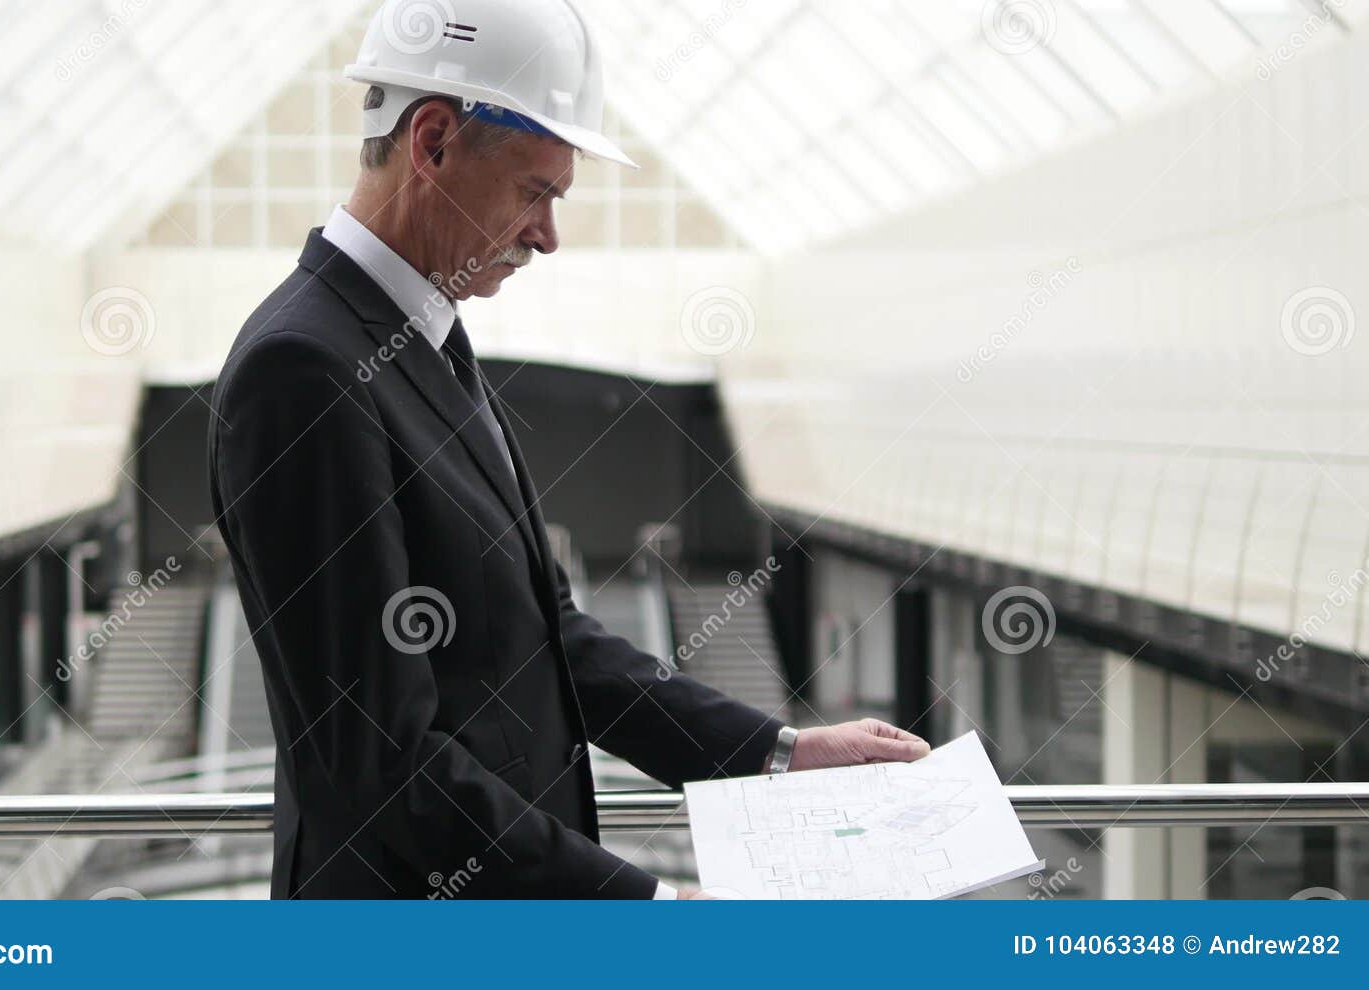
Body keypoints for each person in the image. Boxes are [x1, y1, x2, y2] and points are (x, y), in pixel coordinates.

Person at [208, 0, 929, 899]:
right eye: (536, 191)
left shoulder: (423, 334)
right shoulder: (304, 369)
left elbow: (553, 642)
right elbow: (378, 757)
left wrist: (779, 755)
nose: (548, 234)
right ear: (432, 142)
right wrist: (643, 907)